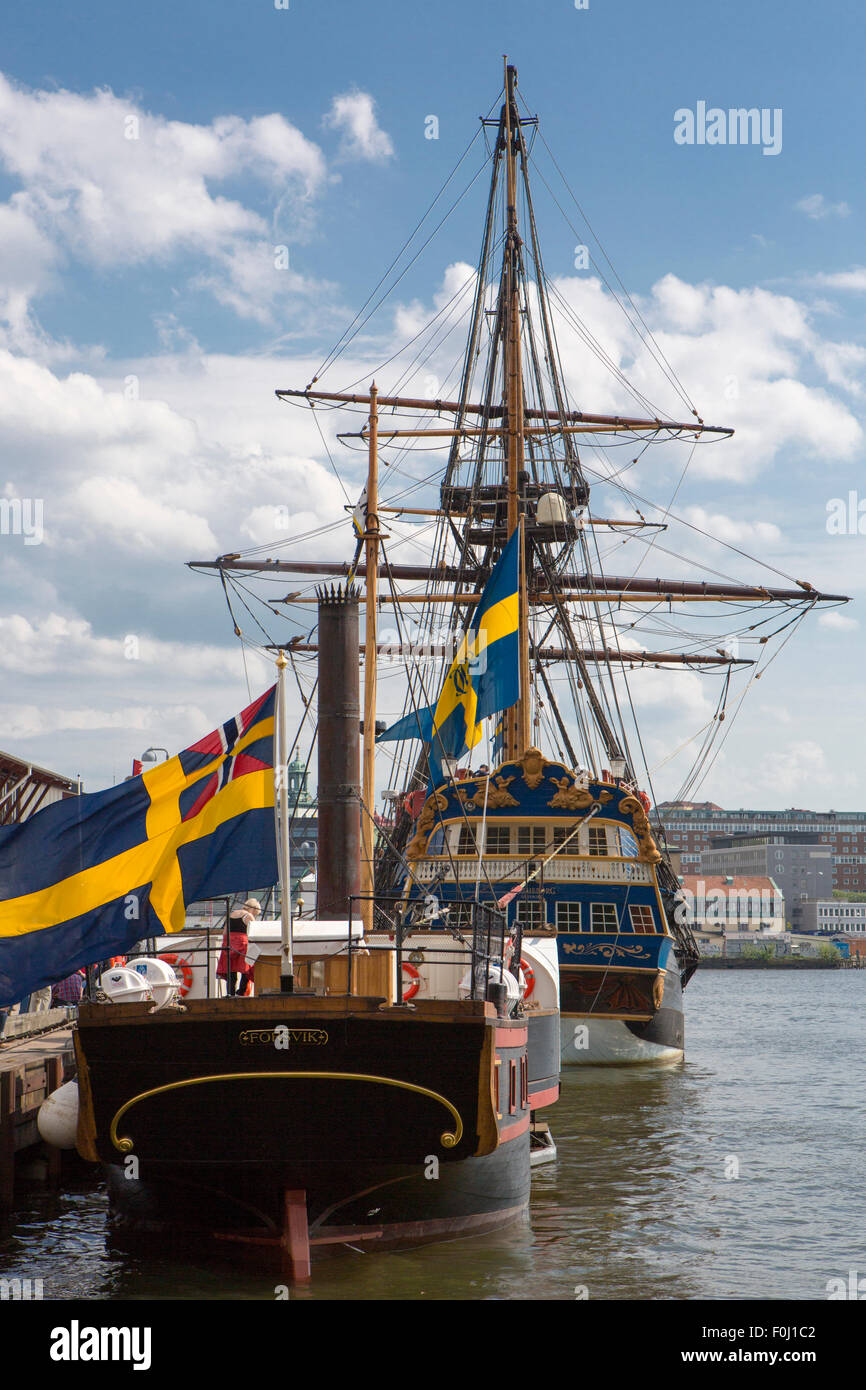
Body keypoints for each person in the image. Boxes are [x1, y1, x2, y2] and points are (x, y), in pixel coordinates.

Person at [216, 898, 261, 997]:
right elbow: (254, 932)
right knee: (247, 968)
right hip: (242, 944)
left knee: (230, 970)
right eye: (256, 913)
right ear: (253, 910)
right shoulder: (248, 916)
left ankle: (230, 993)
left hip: (229, 943)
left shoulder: (232, 914)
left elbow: (225, 932)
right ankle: (241, 991)